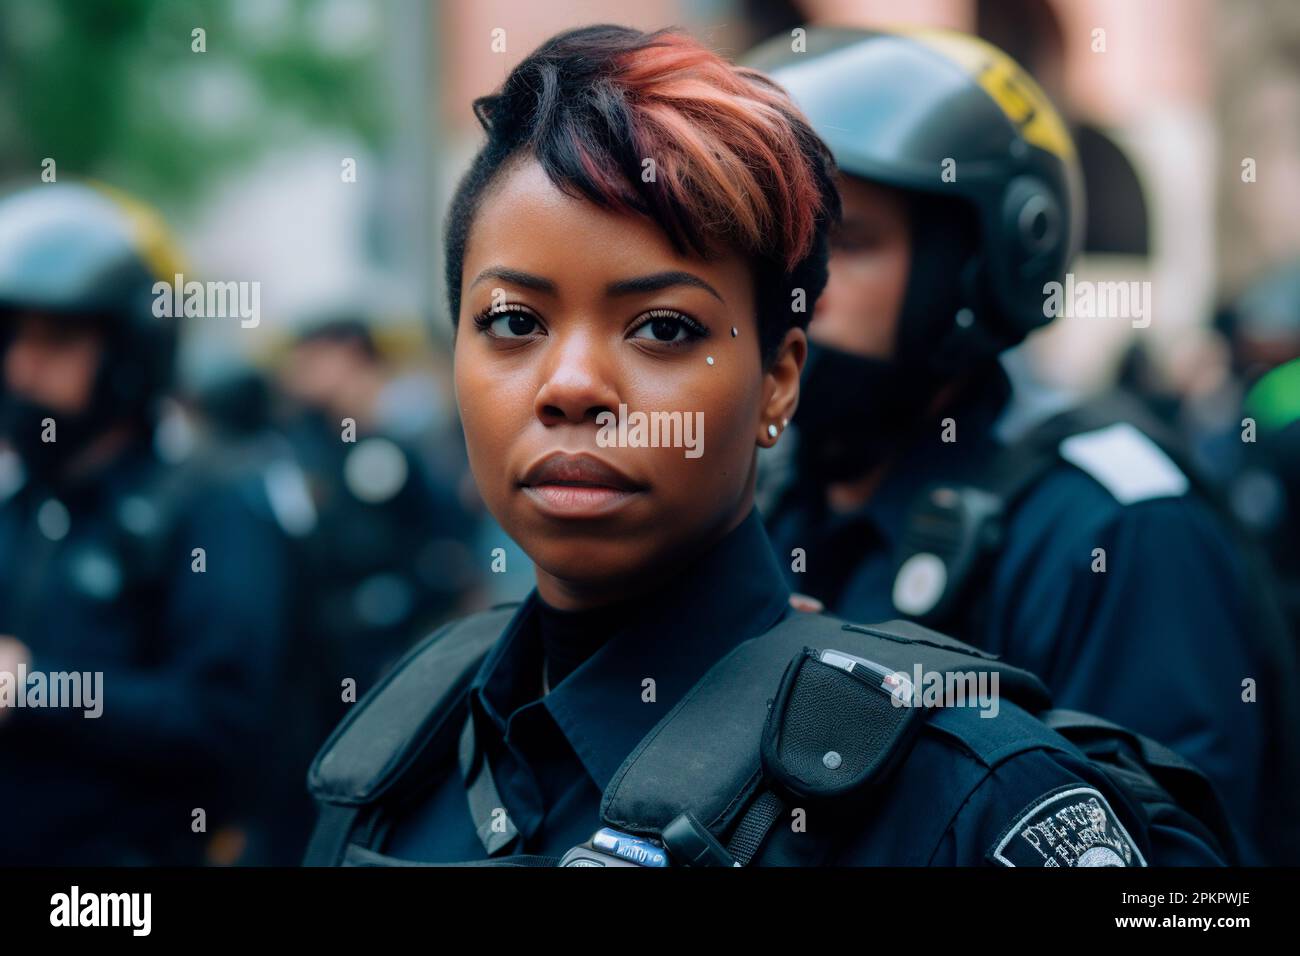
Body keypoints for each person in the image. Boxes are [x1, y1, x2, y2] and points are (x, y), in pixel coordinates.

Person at [303, 25, 1228, 868]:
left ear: (780, 378)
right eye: (512, 319)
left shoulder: (968, 798)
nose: (572, 385)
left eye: (663, 328)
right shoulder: (388, 771)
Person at [746, 26, 1300, 864]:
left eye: (844, 246)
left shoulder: (1115, 531)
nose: (795, 290)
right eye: (770, 247)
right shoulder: (777, 497)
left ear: (973, 271)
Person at [0, 183, 289, 865]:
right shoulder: (24, 498)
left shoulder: (213, 501)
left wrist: (36, 687)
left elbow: (224, 723)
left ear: (131, 349)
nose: (22, 365)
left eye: (57, 338)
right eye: (12, 337)